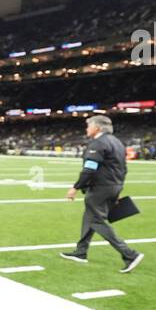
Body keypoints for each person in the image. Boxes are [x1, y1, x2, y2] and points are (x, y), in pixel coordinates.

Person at [60, 114, 144, 273]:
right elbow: (123, 168)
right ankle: (80, 252)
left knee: (97, 221)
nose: (87, 129)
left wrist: (76, 187)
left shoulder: (98, 143)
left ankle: (129, 254)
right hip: (113, 185)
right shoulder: (117, 142)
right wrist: (118, 188)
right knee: (89, 217)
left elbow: (89, 169)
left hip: (101, 187)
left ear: (97, 127)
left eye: (88, 126)